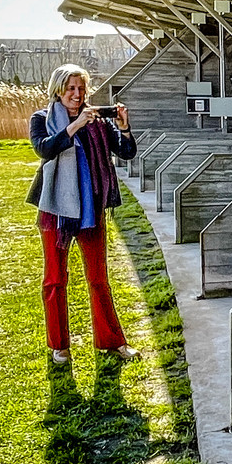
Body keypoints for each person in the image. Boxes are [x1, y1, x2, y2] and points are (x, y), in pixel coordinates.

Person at [27, 64, 139, 365]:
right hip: (56, 210)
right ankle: (59, 345)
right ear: (58, 90)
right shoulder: (42, 119)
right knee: (54, 279)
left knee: (99, 278)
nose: (77, 95)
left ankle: (111, 341)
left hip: (90, 210)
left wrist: (124, 126)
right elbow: (44, 149)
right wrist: (74, 126)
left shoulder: (98, 122)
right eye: (71, 89)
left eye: (81, 89)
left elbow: (127, 152)